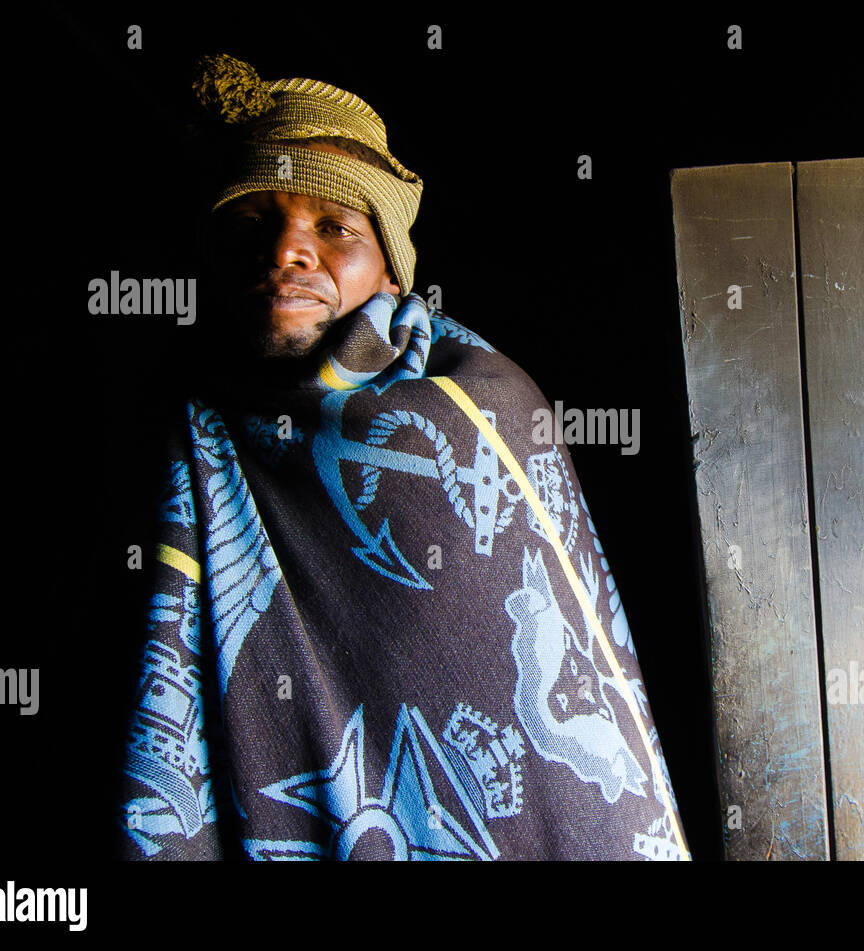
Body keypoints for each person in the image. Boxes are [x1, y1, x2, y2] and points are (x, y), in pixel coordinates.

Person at [116, 54, 687, 861]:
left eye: (333, 227)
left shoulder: (482, 407)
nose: (288, 250)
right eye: (253, 224)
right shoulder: (185, 432)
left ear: (388, 263)